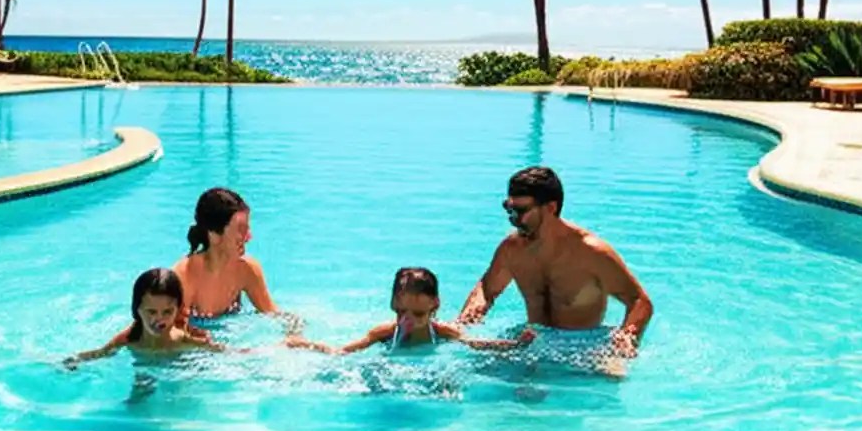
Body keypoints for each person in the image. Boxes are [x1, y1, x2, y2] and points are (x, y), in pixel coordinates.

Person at [456, 167, 653, 358]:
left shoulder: (591, 253)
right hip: (531, 344)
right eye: (510, 209)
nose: (514, 219)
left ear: (551, 208)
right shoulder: (512, 250)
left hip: (584, 350)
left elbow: (639, 301)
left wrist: (627, 337)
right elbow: (487, 289)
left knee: (611, 378)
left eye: (521, 210)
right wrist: (468, 318)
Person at [286, 267, 536, 354]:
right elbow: (340, 352)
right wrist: (300, 342)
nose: (408, 320)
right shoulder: (383, 333)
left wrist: (514, 344)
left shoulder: (442, 332)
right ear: (393, 306)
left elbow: (476, 344)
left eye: (418, 315)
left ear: (434, 306)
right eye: (401, 312)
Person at [172, 188, 283, 330]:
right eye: (241, 230)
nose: (249, 237)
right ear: (214, 234)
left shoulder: (247, 269)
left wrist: (295, 333)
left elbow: (272, 313)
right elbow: (174, 333)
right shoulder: (183, 276)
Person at [63, 268, 219, 368]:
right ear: (137, 309)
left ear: (178, 310)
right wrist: (75, 360)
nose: (159, 319)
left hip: (175, 362)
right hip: (144, 364)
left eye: (167, 312)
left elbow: (215, 349)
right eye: (151, 312)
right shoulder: (128, 338)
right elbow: (101, 353)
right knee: (138, 396)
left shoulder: (182, 338)